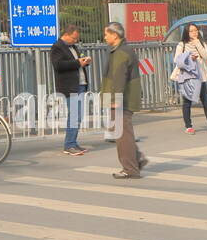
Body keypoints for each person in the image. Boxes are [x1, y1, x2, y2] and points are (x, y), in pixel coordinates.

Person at [100, 21, 147, 180]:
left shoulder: (121, 53)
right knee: (122, 131)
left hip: (121, 99)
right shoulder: (120, 50)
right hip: (121, 97)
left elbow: (118, 79)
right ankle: (137, 159)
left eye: (106, 34)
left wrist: (115, 99)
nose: (104, 37)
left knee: (122, 134)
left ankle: (130, 168)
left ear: (115, 35)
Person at [174, 23, 207, 134]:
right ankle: (188, 126)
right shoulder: (181, 45)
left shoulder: (201, 43)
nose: (195, 33)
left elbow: (206, 56)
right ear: (187, 33)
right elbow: (177, 59)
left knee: (206, 102)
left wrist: (197, 43)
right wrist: (190, 57)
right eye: (192, 31)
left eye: (196, 30)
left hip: (200, 76)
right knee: (187, 102)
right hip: (188, 77)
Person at [50, 25, 92, 156]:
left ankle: (73, 142)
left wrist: (85, 61)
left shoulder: (73, 47)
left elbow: (77, 62)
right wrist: (78, 62)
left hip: (80, 84)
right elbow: (58, 65)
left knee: (78, 116)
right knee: (74, 115)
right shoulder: (57, 47)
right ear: (67, 35)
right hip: (70, 86)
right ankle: (69, 145)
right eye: (74, 38)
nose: (75, 41)